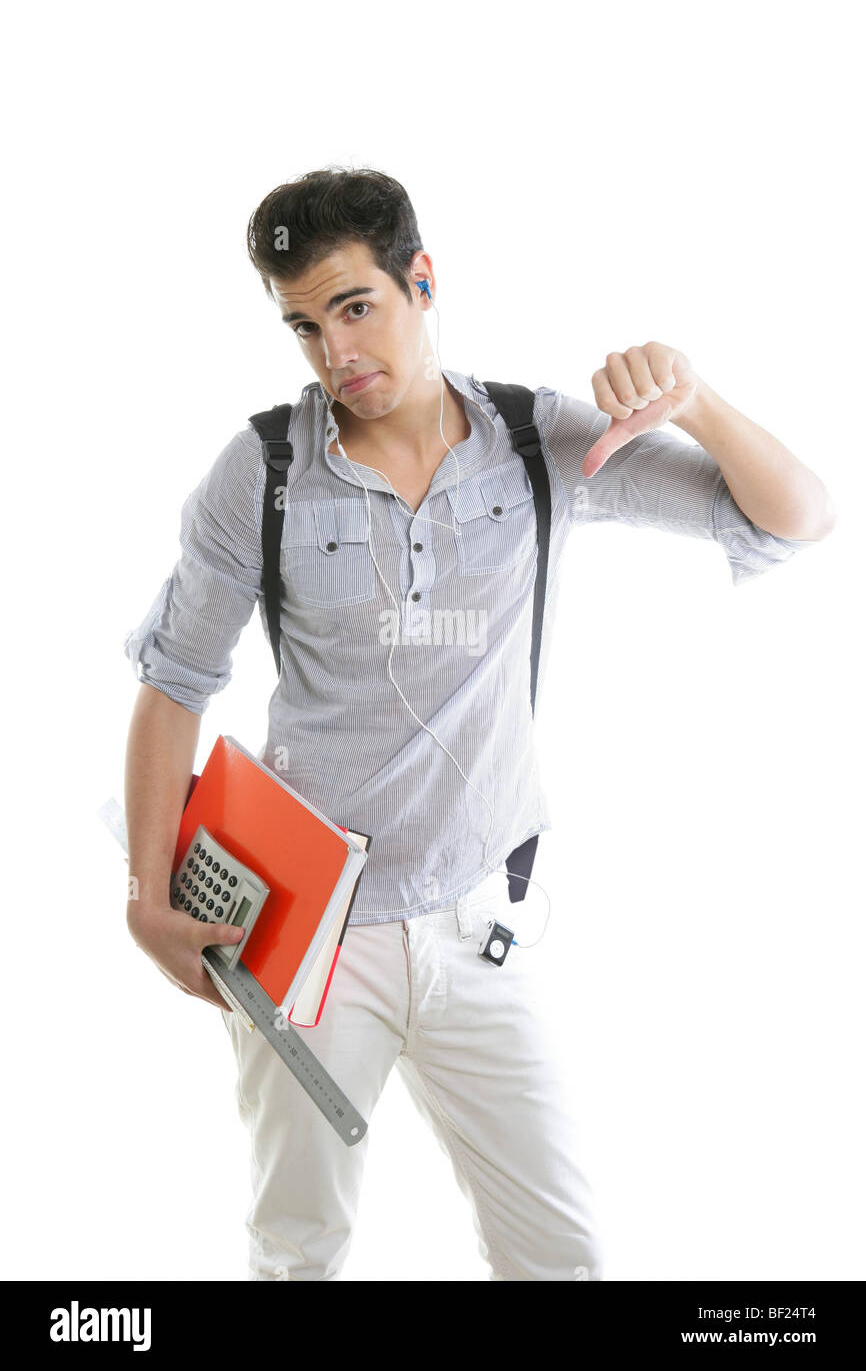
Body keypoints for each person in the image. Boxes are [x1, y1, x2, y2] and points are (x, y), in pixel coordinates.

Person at [123, 166, 836, 1282]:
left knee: (561, 1255)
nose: (334, 352)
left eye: (354, 307)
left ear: (420, 281)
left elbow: (796, 517)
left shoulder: (533, 443)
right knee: (294, 1249)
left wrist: (688, 396)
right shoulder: (259, 470)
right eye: (303, 324)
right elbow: (173, 683)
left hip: (477, 928)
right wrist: (148, 897)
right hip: (304, 935)